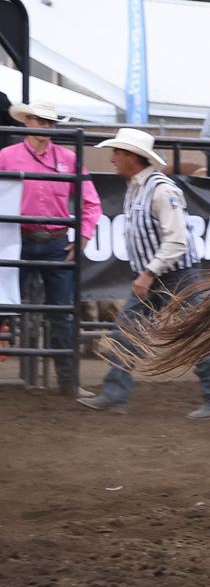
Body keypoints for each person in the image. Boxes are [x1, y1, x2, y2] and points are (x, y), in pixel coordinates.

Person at [77, 128, 210, 419]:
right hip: (159, 275)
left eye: (117, 153)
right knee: (126, 331)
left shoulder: (161, 190)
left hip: (177, 276)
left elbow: (177, 240)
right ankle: (114, 394)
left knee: (192, 335)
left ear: (132, 157)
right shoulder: (138, 187)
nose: (113, 159)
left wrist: (147, 273)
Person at [0, 100, 103, 395]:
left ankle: (69, 382)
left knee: (61, 313)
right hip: (16, 241)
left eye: (49, 122)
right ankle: (69, 382)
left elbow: (91, 201)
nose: (45, 127)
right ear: (27, 122)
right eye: (40, 121)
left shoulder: (69, 159)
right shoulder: (7, 157)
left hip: (54, 242)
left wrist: (82, 236)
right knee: (4, 307)